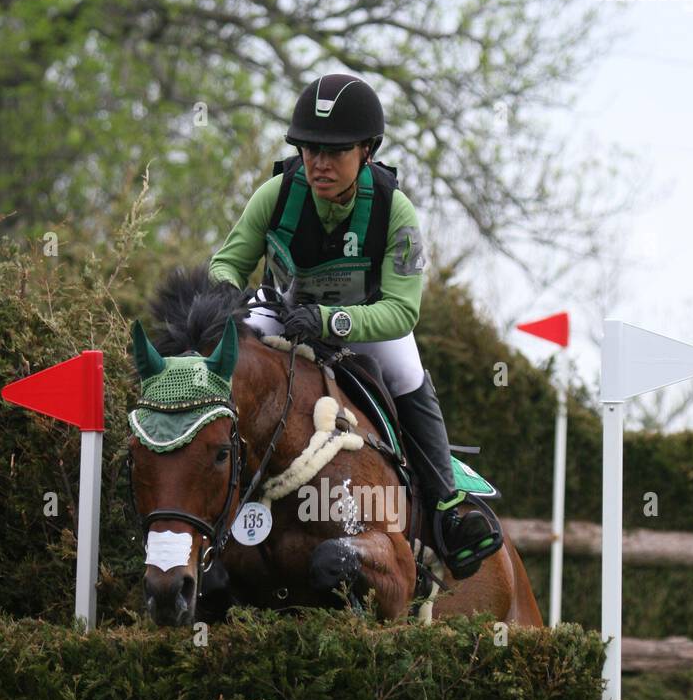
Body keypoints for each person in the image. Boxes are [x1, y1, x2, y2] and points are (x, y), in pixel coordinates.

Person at [207, 72, 499, 579]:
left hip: (366, 323)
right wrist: (227, 300)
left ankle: (446, 508)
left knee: (408, 376)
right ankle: (202, 515)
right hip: (281, 314)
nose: (319, 164)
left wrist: (327, 317)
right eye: (309, 149)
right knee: (226, 367)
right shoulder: (274, 196)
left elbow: (402, 311)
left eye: (335, 151)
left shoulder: (393, 211)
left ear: (366, 151)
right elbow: (225, 265)